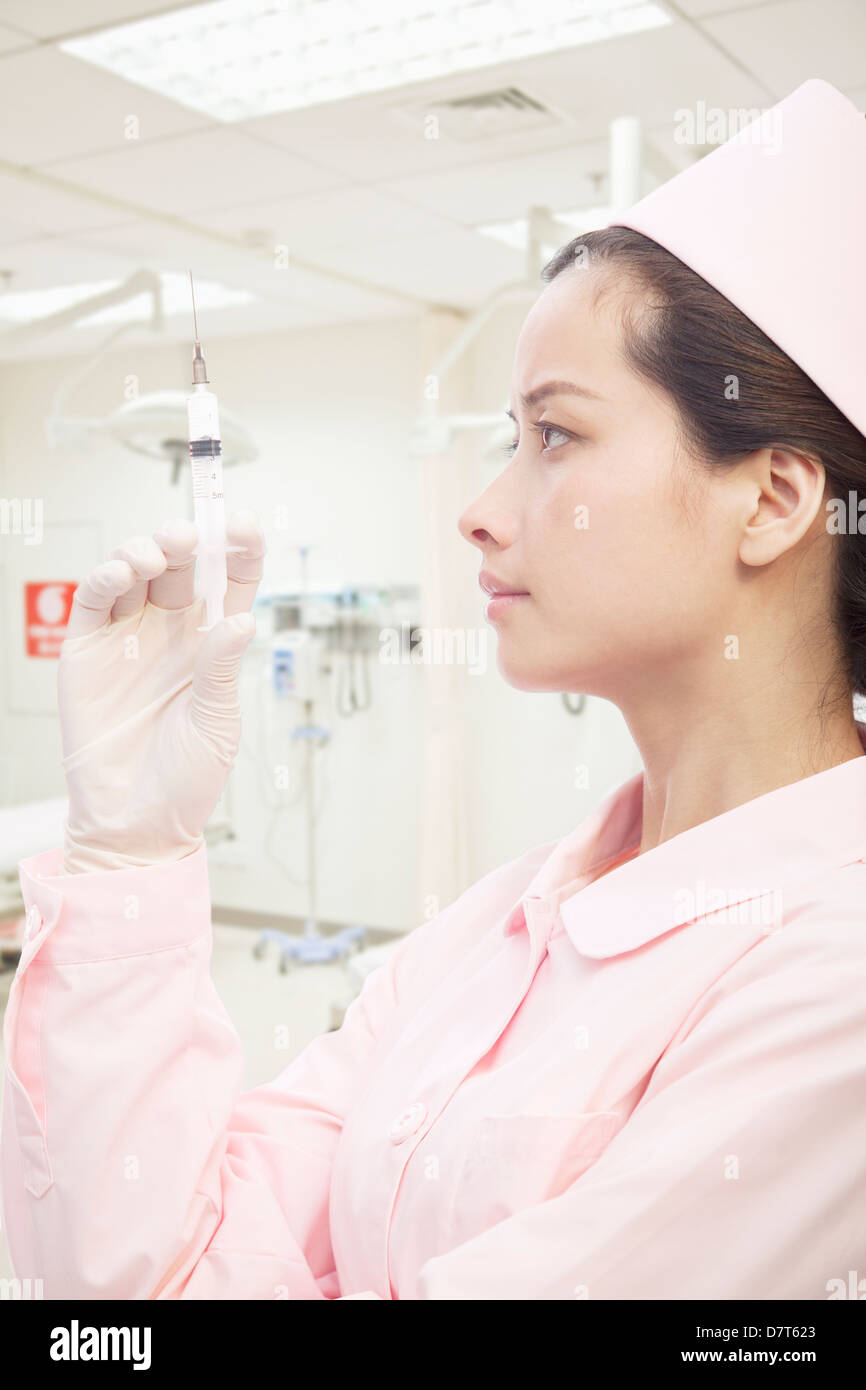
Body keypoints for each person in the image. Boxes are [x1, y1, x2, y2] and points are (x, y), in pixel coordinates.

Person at [2, 77, 866, 1300]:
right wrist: (130, 848)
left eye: (552, 434)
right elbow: (149, 1287)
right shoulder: (502, 923)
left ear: (771, 498)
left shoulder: (837, 976)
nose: (476, 510)